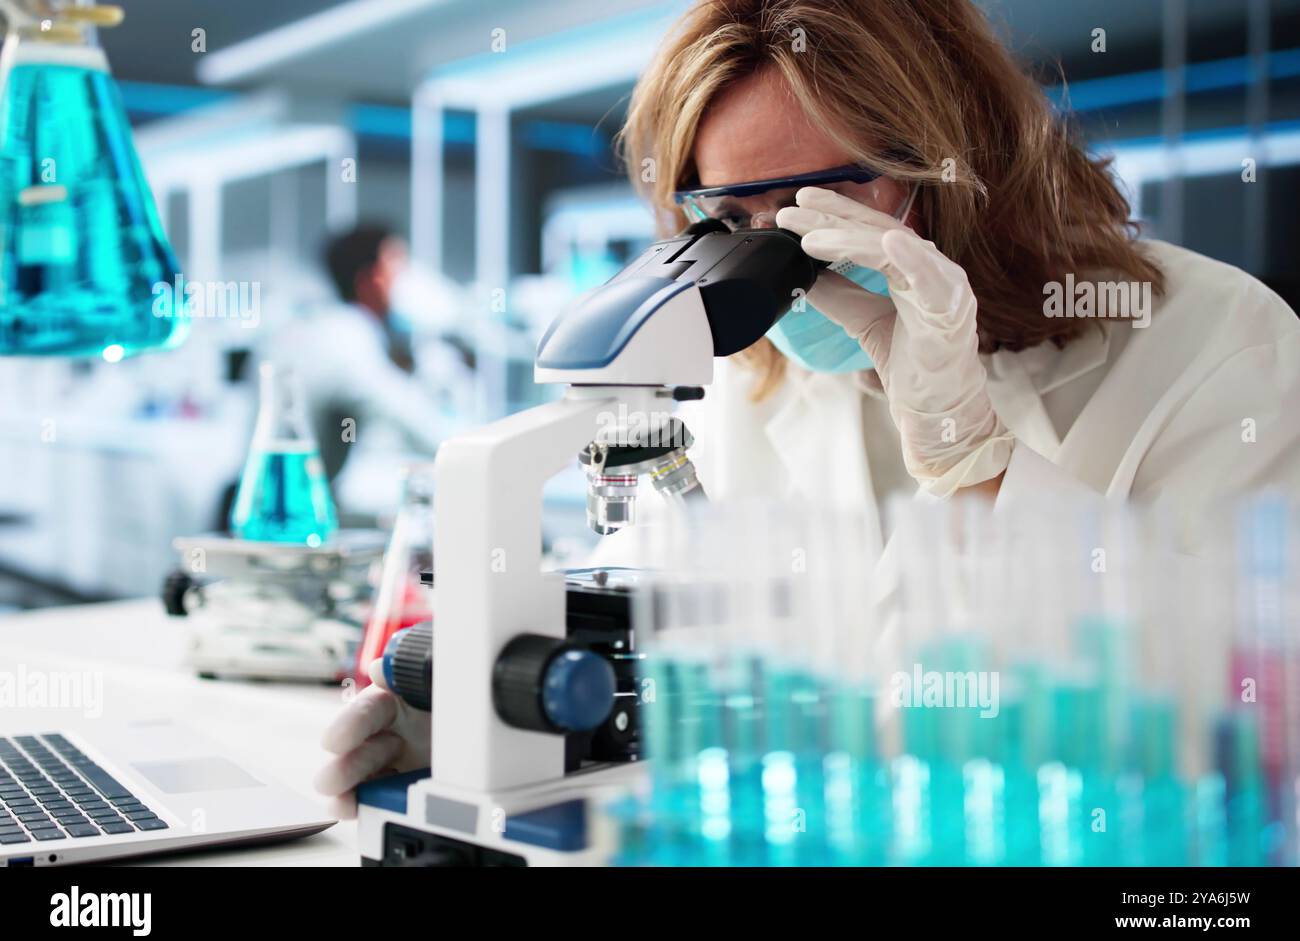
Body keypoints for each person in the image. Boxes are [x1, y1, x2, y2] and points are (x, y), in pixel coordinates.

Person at [315, 0, 1300, 815]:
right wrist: (493, 726)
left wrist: (974, 462)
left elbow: (1222, 746)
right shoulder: (747, 385)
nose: (783, 259)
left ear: (959, 167)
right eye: (737, 222)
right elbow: (696, 685)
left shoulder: (1215, 346)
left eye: (821, 203)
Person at [265, 225, 465, 504]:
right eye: (397, 265)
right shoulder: (344, 335)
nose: (408, 279)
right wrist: (479, 454)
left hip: (286, 498)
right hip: (279, 507)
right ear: (368, 281)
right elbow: (404, 412)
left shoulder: (329, 326)